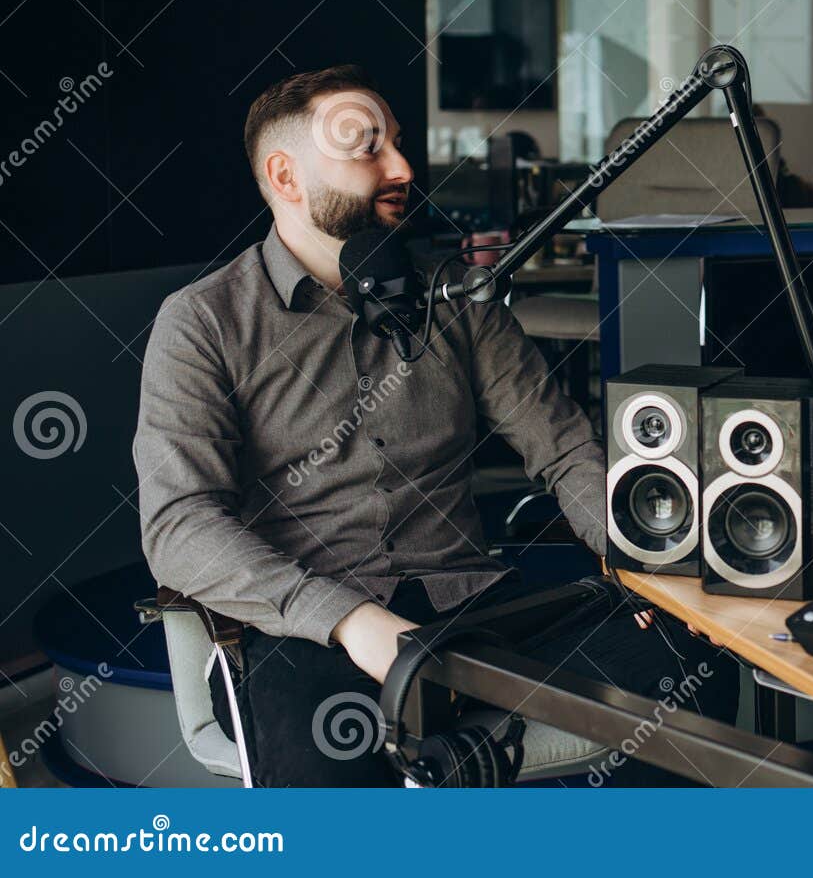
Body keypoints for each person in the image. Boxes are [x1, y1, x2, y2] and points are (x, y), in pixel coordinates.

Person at [135, 66, 737, 786]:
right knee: (330, 756)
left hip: (475, 611)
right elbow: (178, 524)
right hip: (309, 631)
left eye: (397, 142)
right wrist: (348, 620)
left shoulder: (455, 299)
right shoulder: (202, 321)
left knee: (690, 666)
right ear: (286, 177)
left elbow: (566, 448)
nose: (402, 168)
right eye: (367, 149)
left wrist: (646, 562)